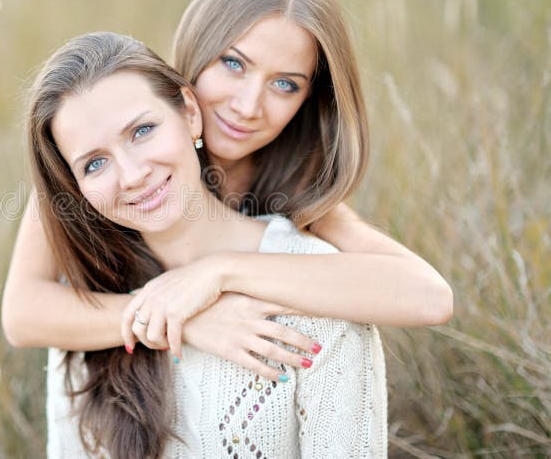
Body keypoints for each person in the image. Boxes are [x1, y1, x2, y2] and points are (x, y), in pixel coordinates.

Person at [2, 0, 452, 373]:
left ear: (308, 102)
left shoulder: (295, 189)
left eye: (285, 85)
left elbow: (428, 296)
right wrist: (177, 317)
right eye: (234, 64)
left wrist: (219, 273)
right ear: (199, 46)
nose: (248, 105)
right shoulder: (117, 139)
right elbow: (22, 314)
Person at [30, 31, 387, 458]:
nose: (131, 175)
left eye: (142, 130)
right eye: (95, 163)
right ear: (78, 186)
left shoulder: (322, 292)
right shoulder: (84, 310)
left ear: (190, 113)